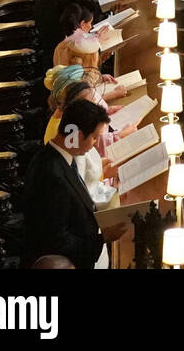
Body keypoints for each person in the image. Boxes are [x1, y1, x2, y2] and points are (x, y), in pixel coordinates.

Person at [21, 98, 127, 269]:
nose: (95, 144)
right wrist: (102, 238)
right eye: (94, 138)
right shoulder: (51, 176)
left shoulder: (60, 157)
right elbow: (55, 239)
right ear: (77, 135)